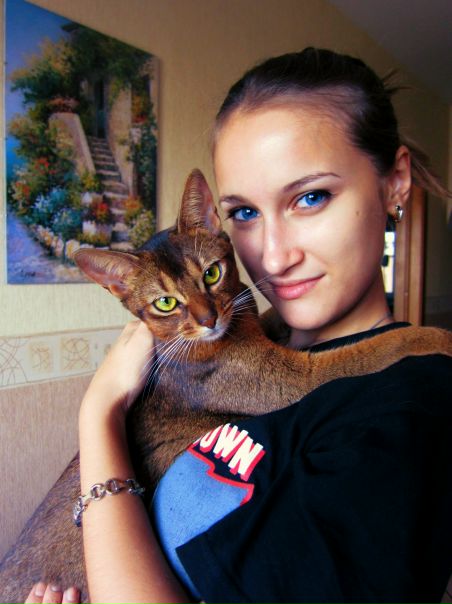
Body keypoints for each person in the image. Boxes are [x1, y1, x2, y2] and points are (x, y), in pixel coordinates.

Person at [25, 47, 452, 604]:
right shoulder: (255, 335)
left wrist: (98, 411)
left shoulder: (407, 412)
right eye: (245, 213)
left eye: (311, 197)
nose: (272, 258)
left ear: (395, 182)